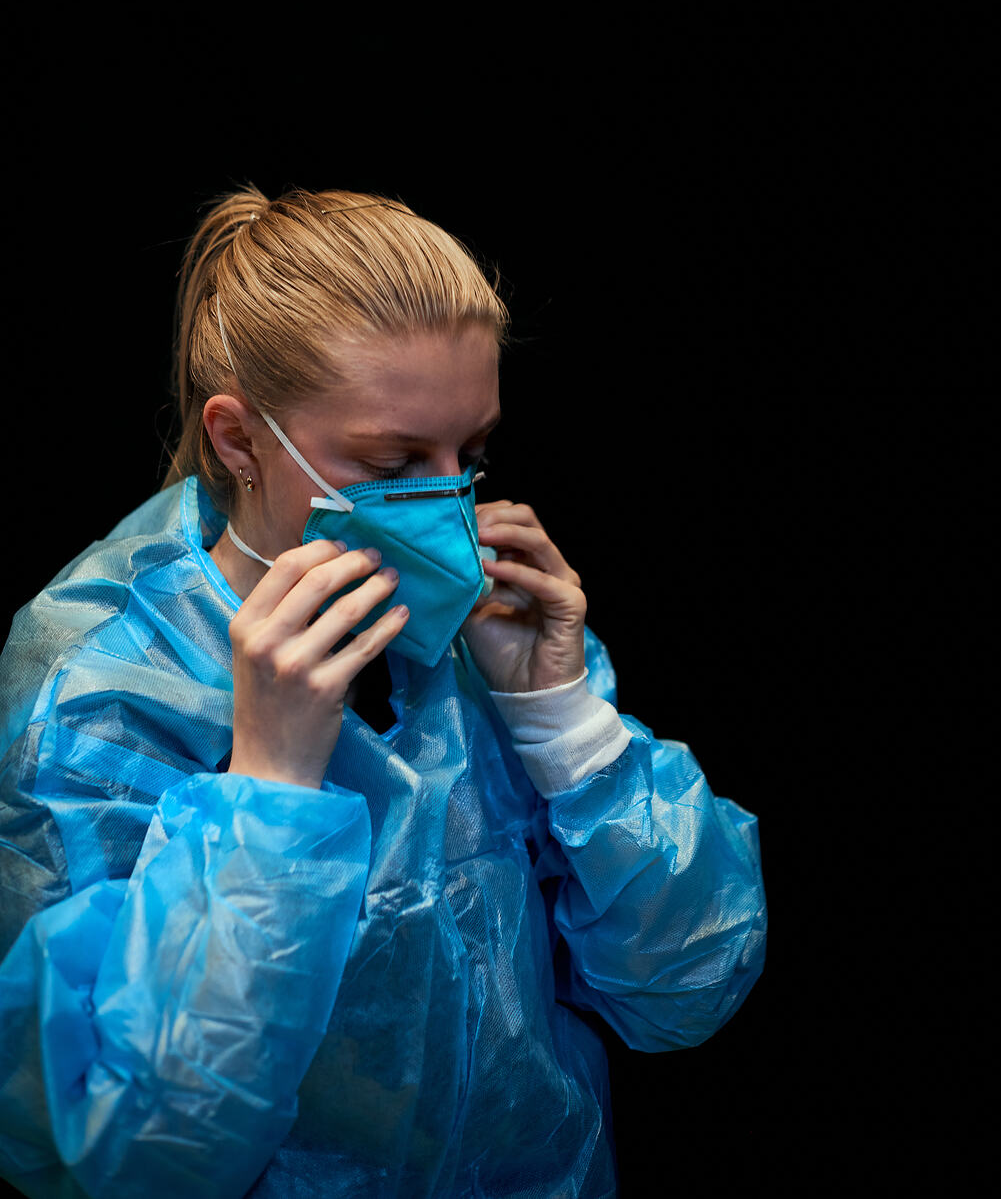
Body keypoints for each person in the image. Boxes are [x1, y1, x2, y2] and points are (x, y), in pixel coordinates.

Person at [0, 184, 767, 1199]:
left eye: (472, 456)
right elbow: (135, 1159)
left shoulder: (473, 632)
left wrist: (565, 722)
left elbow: (682, 991)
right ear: (238, 439)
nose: (450, 505)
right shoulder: (98, 696)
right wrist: (268, 788)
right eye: (395, 462)